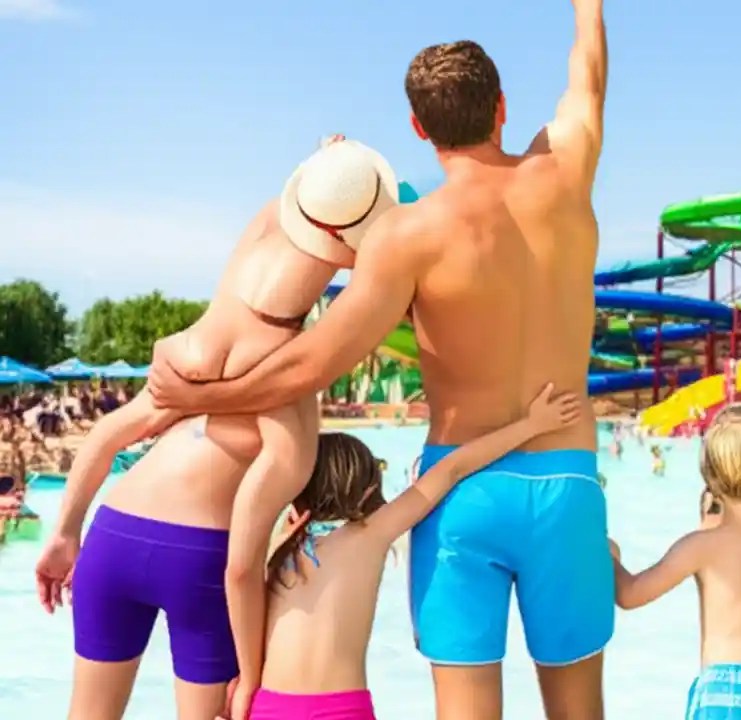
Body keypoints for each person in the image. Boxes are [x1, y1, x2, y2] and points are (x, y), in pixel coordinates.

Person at [145, 5, 612, 717]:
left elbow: (310, 365)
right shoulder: (567, 168)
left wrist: (197, 396)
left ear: (420, 129)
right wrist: (587, 8)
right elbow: (589, 73)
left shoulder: (407, 234)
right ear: (502, 107)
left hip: (461, 493)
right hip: (568, 480)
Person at [32, 141, 397, 720]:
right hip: (198, 559)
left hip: (112, 535)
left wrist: (64, 534)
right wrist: (251, 677)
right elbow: (240, 567)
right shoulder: (291, 414)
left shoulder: (183, 356)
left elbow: (103, 438)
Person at [246, 384, 580, 719]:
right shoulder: (369, 534)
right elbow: (453, 469)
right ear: (366, 491)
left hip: (271, 706)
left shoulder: (278, 550)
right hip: (339, 709)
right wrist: (532, 425)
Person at [609, 359, 741, 719]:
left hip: (723, 690)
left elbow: (629, 594)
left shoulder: (700, 546)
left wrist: (608, 556)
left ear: (710, 477)